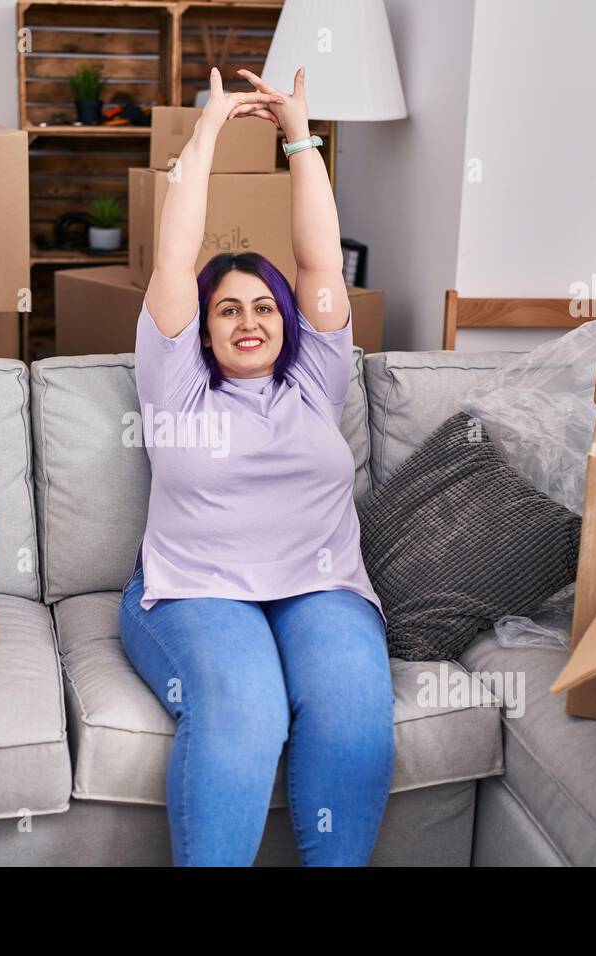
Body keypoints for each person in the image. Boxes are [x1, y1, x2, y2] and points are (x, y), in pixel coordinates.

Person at [118, 66, 395, 866]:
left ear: (288, 323)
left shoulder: (315, 380)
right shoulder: (176, 386)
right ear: (200, 330)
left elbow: (318, 267)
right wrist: (206, 136)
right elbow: (174, 263)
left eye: (264, 306)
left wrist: (299, 137)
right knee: (246, 710)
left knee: (354, 708)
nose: (248, 320)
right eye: (227, 309)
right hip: (196, 590)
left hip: (319, 585)